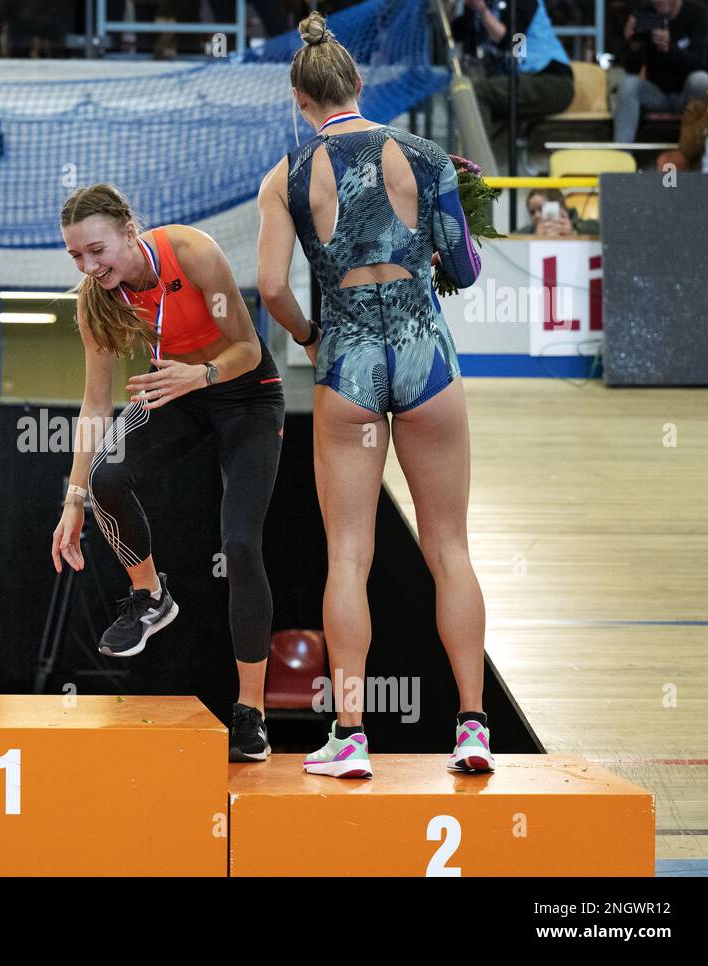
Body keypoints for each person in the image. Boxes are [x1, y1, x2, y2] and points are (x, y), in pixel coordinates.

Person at [257, 12, 492, 778]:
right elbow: (465, 267)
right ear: (360, 85)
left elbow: (269, 288)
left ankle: (351, 736)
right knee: (449, 547)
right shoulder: (427, 157)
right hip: (427, 361)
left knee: (348, 554)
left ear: (301, 101)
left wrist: (307, 335)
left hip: (348, 364)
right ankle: (472, 730)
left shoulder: (286, 175)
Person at [53, 183, 286, 764]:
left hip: (244, 394)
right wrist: (73, 500)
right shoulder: (96, 300)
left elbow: (247, 349)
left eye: (97, 250)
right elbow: (94, 403)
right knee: (106, 473)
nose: (89, 266)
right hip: (175, 390)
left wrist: (199, 375)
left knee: (240, 545)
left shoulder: (193, 252)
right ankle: (149, 595)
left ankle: (250, 713)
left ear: (130, 231)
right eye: (77, 256)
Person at [453, 0, 575, 142]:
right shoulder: (489, 7)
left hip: (552, 81)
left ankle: (478, 160)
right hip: (522, 81)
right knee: (467, 99)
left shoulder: (522, 3)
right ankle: (475, 158)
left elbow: (510, 41)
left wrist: (482, 10)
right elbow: (454, 32)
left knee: (477, 92)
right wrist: (450, 6)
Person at [616, 0, 708, 144]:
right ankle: (621, 157)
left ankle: (698, 149)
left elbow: (700, 63)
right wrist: (633, 44)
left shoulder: (697, 12)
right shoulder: (645, 13)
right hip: (657, 94)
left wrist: (670, 49)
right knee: (628, 83)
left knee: (701, 79)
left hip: (687, 96)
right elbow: (632, 69)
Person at [516, 187, 600, 235]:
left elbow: (608, 233)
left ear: (561, 208)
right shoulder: (528, 231)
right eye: (532, 212)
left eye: (541, 209)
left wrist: (574, 232)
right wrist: (534, 238)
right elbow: (510, 243)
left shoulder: (583, 225)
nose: (537, 215)